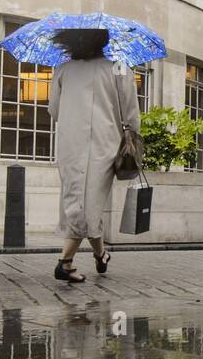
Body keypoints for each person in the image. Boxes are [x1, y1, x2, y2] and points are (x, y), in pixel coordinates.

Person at [49, 29, 140, 282]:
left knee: (81, 203)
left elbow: (54, 110)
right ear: (104, 42)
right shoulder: (119, 69)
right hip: (104, 145)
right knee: (89, 205)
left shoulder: (63, 70)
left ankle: (85, 258)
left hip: (70, 144)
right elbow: (131, 116)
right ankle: (70, 262)